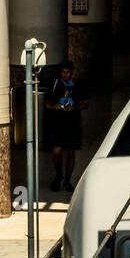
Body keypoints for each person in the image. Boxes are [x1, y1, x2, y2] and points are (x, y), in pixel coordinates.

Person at [46, 61, 87, 191]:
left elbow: (85, 103)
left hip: (72, 122)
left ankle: (67, 181)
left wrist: (74, 107)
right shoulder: (54, 85)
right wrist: (55, 106)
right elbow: (47, 103)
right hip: (57, 122)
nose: (65, 75)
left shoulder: (78, 85)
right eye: (63, 72)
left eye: (67, 72)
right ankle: (59, 175)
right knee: (56, 151)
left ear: (71, 72)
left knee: (70, 151)